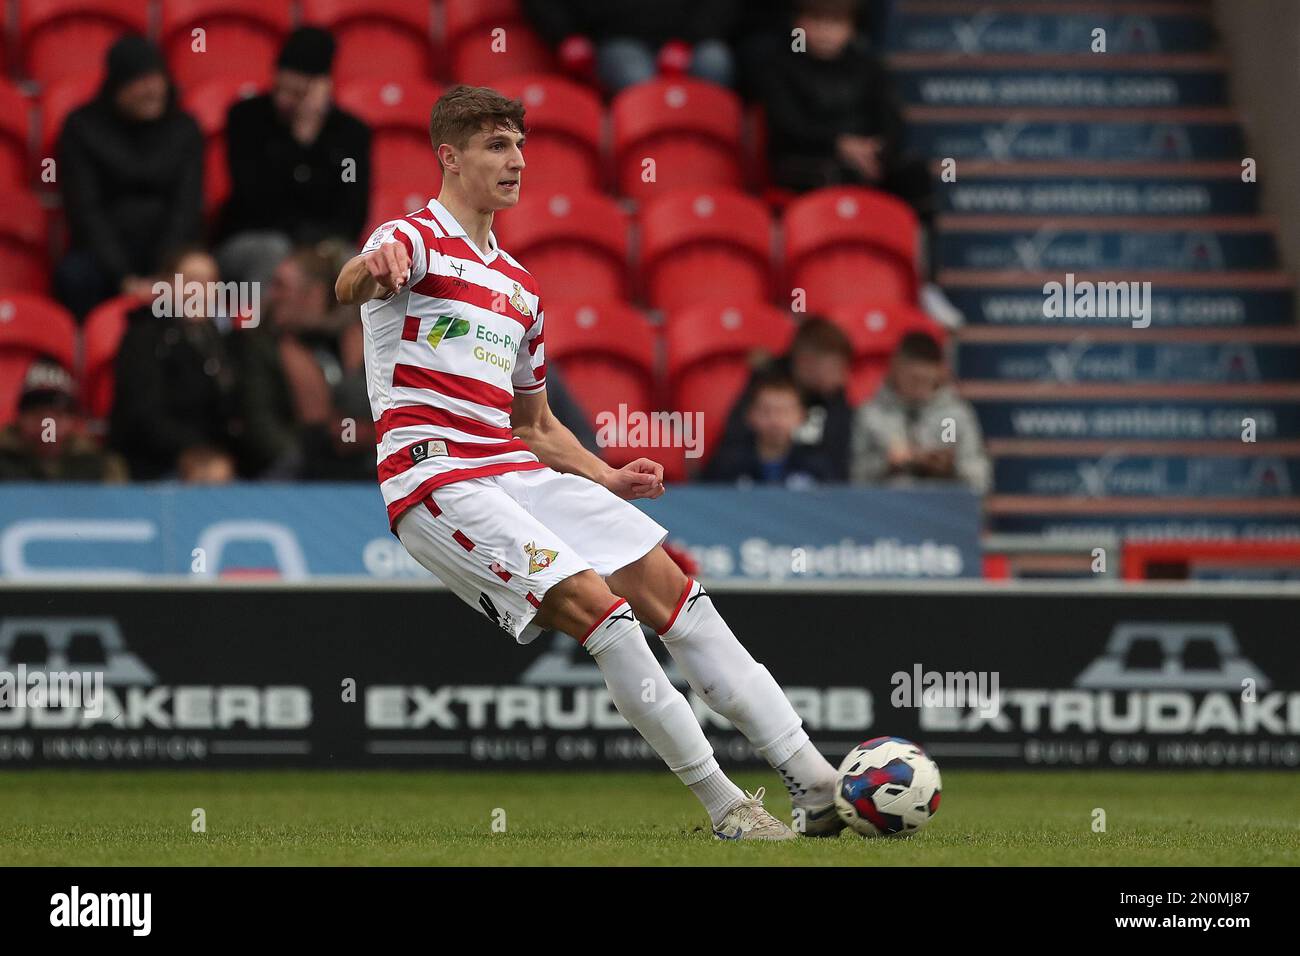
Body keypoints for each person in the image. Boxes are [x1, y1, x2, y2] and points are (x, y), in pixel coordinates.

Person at [336, 85, 843, 840]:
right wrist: (369, 271)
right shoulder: (411, 241)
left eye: (518, 144)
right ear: (450, 157)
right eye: (496, 146)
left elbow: (534, 422)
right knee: (602, 615)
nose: (517, 160)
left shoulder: (521, 289)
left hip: (513, 467)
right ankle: (727, 810)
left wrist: (604, 476)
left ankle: (817, 784)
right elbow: (350, 284)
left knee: (672, 589)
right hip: (434, 477)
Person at [54, 35, 204, 320]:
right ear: (117, 87)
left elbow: (186, 207)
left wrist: (165, 272)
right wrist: (123, 277)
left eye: (157, 78)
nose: (152, 90)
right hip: (103, 253)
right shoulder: (82, 128)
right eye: (140, 81)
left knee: (203, 275)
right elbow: (86, 211)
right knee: (75, 275)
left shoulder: (184, 128)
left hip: (170, 251)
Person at [218, 27, 371, 287]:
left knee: (353, 263)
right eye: (280, 89)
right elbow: (255, 199)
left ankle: (347, 330)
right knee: (275, 252)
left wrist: (311, 140)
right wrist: (298, 142)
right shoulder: (246, 119)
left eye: (297, 94)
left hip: (322, 243)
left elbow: (352, 214)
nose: (283, 101)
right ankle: (261, 328)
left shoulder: (351, 134)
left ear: (322, 88)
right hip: (253, 238)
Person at [234, 245, 374, 480]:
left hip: (360, 467)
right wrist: (308, 458)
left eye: (281, 286)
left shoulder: (356, 342)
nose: (272, 295)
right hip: (294, 473)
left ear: (315, 294)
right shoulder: (260, 345)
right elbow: (259, 423)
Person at [109, 247, 241, 482]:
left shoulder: (224, 342)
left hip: (221, 465)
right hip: (155, 466)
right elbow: (142, 416)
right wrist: (195, 453)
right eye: (190, 281)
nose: (199, 291)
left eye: (209, 282)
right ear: (166, 285)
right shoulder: (143, 337)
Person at [713, 316, 854, 480]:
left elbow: (839, 464)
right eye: (836, 367)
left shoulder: (834, 397)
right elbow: (733, 448)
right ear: (806, 361)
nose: (842, 378)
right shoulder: (765, 385)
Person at [850, 331, 991, 492]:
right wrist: (889, 463)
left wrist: (950, 468)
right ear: (896, 368)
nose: (919, 388)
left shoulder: (952, 418)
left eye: (925, 380)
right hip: (885, 509)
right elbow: (854, 478)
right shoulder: (871, 414)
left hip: (942, 509)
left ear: (938, 373)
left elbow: (980, 480)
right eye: (913, 379)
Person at [522, 0, 739, 93]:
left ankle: (707, 158)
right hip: (617, 41)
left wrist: (687, 41)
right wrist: (566, 36)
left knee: (715, 62)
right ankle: (657, 160)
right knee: (638, 81)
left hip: (690, 42)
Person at [0, 358, 127, 482]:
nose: (47, 428)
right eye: (36, 414)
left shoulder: (103, 468)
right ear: (19, 417)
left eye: (57, 415)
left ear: (74, 420)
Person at [702, 371, 834, 486]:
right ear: (750, 415)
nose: (775, 420)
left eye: (784, 411)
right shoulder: (727, 463)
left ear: (801, 416)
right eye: (766, 411)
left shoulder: (817, 464)